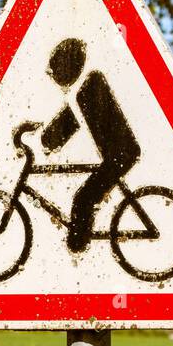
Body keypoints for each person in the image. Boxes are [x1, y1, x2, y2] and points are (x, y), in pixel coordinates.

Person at [38, 38, 141, 252]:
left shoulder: (89, 86)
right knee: (86, 195)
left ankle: (77, 247)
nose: (52, 73)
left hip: (121, 155)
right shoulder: (86, 86)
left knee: (83, 199)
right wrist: (46, 140)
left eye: (56, 67)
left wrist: (46, 141)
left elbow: (68, 123)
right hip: (117, 154)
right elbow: (68, 123)